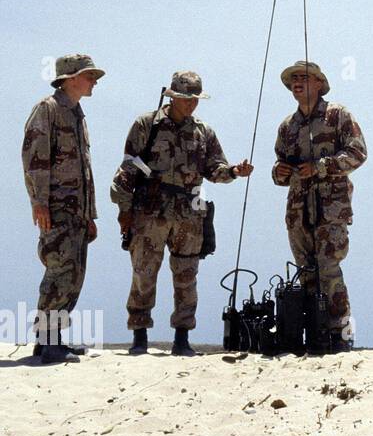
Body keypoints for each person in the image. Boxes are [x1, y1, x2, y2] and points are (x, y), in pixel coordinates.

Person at [111, 71, 252, 356]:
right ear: (172, 96)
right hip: (150, 211)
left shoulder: (204, 132)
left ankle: (182, 338)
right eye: (186, 98)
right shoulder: (146, 124)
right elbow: (128, 168)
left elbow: (214, 169)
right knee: (144, 272)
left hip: (189, 213)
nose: (191, 104)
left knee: (187, 275)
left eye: (195, 99)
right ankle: (139, 337)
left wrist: (234, 172)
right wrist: (123, 209)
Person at [272, 61, 366, 353]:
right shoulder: (288, 126)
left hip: (330, 207)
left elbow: (357, 153)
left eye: (304, 78)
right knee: (306, 271)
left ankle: (339, 334)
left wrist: (322, 167)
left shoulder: (337, 115)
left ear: (319, 84)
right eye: (294, 79)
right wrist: (281, 172)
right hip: (298, 209)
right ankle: (314, 333)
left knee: (328, 268)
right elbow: (278, 166)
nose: (298, 83)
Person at [22, 53, 104, 364]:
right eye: (89, 76)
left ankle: (51, 341)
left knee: (74, 275)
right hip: (56, 209)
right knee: (59, 272)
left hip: (77, 213)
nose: (94, 82)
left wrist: (90, 214)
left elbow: (84, 170)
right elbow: (34, 159)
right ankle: (47, 340)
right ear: (70, 78)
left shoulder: (76, 114)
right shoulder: (49, 109)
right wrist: (39, 202)